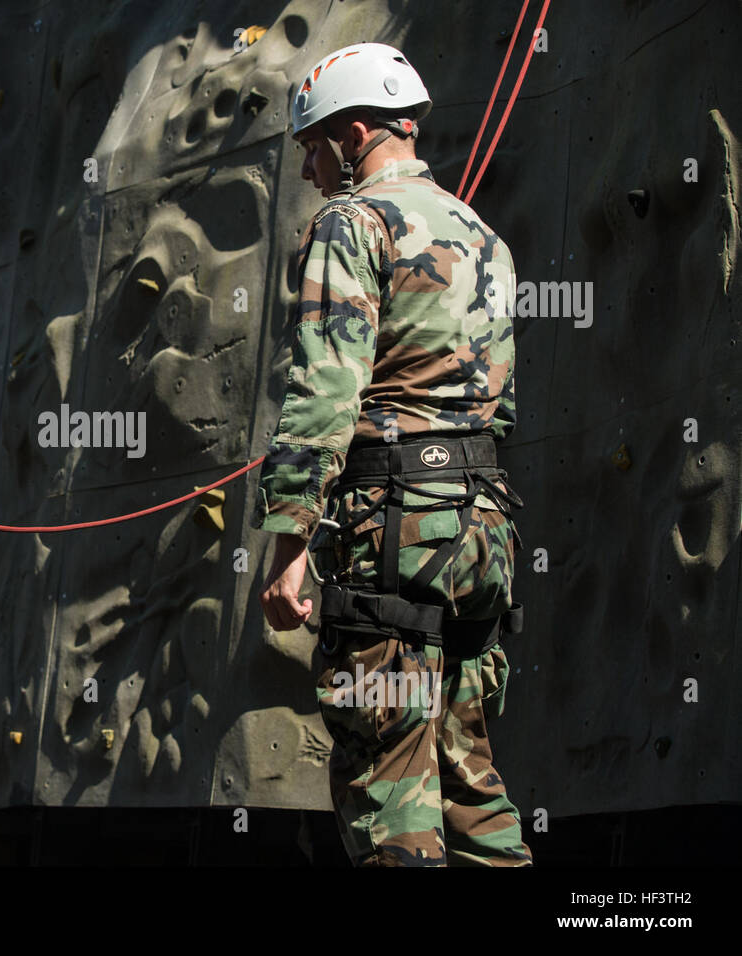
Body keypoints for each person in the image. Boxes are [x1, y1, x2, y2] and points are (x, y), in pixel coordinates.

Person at [253, 43, 532, 866]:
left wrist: (288, 546)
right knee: (469, 781)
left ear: (356, 134)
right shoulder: (487, 238)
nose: (308, 167)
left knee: (388, 790)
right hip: (483, 536)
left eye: (313, 145)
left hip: (395, 540)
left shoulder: (352, 223)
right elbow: (500, 409)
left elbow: (323, 397)